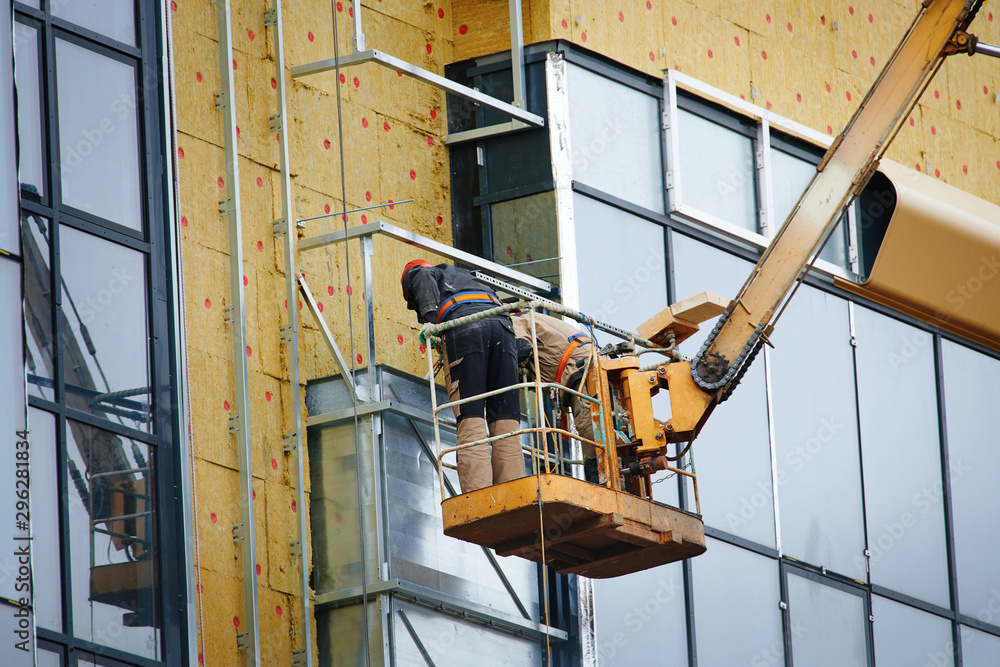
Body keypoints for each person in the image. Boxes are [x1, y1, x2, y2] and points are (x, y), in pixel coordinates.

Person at [401, 260, 523, 493]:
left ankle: (478, 498)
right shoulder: (466, 278)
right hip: (503, 329)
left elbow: (421, 276)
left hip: (467, 327)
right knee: (506, 424)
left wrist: (430, 321)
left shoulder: (421, 271)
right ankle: (512, 493)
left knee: (472, 420)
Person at [510, 311, 600, 484]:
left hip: (582, 373)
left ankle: (603, 494)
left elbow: (521, 348)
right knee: (614, 434)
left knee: (594, 440)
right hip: (591, 367)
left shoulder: (515, 321)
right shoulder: (536, 319)